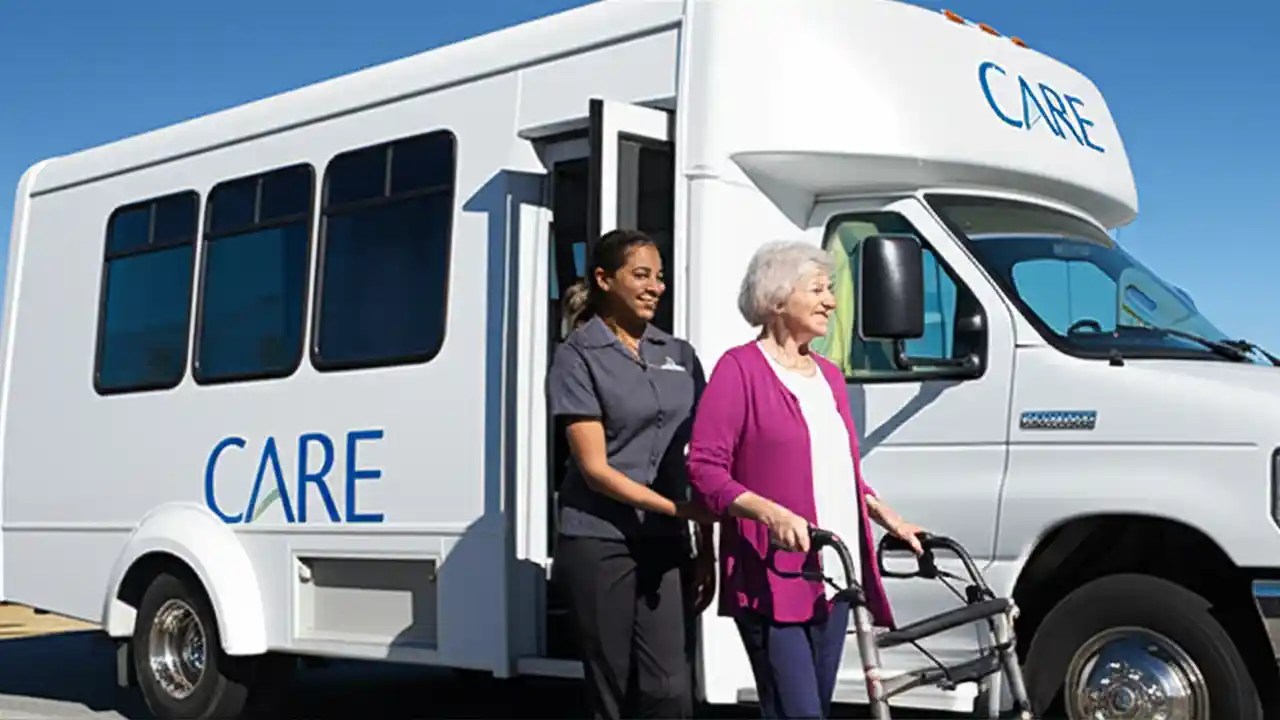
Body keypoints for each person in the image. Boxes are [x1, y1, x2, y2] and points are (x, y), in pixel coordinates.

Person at [685, 240, 926, 719]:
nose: (831, 302)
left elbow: (835, 467)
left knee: (811, 708)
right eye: (817, 289)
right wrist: (769, 511)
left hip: (834, 572)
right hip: (773, 574)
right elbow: (704, 468)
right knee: (799, 714)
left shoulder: (830, 377)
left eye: (830, 289)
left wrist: (884, 513)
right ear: (777, 299)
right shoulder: (740, 370)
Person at [547, 228, 718, 720]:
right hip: (598, 539)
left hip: (665, 539)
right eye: (641, 275)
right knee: (612, 689)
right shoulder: (577, 356)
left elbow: (701, 460)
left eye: (659, 277)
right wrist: (677, 510)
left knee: (671, 689)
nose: (655, 287)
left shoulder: (679, 355)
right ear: (604, 279)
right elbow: (595, 469)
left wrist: (702, 548)